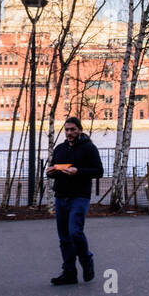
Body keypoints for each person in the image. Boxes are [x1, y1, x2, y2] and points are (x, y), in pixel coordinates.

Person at [46, 117, 104, 286]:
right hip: (61, 196)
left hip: (79, 196)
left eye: (73, 130)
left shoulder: (88, 148)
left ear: (79, 129)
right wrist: (50, 172)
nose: (69, 133)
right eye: (67, 130)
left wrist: (78, 171)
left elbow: (99, 171)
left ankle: (87, 261)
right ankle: (69, 272)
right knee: (64, 237)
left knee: (74, 232)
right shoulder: (60, 149)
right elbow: (55, 169)